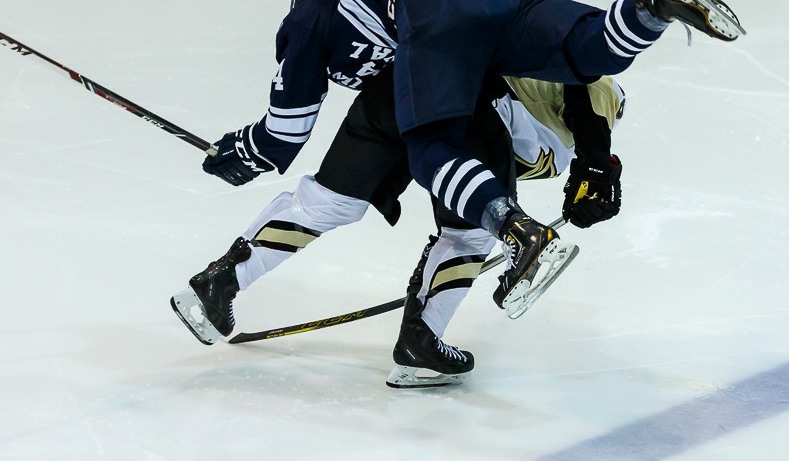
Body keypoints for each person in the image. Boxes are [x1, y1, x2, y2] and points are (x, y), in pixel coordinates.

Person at [172, 0, 743, 382]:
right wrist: (594, 160)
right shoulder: (385, 24)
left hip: (440, 40)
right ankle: (650, 9)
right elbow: (574, 75)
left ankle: (215, 286)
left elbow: (280, 137)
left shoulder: (317, 21)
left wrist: (238, 155)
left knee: (346, 193)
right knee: (580, 49)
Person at [173, 67, 626, 388]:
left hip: (394, 89)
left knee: (326, 203)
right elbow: (588, 90)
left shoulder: (547, 106)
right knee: (469, 232)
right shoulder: (599, 94)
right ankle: (420, 345)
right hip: (467, 112)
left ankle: (216, 286)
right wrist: (597, 165)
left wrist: (590, 172)